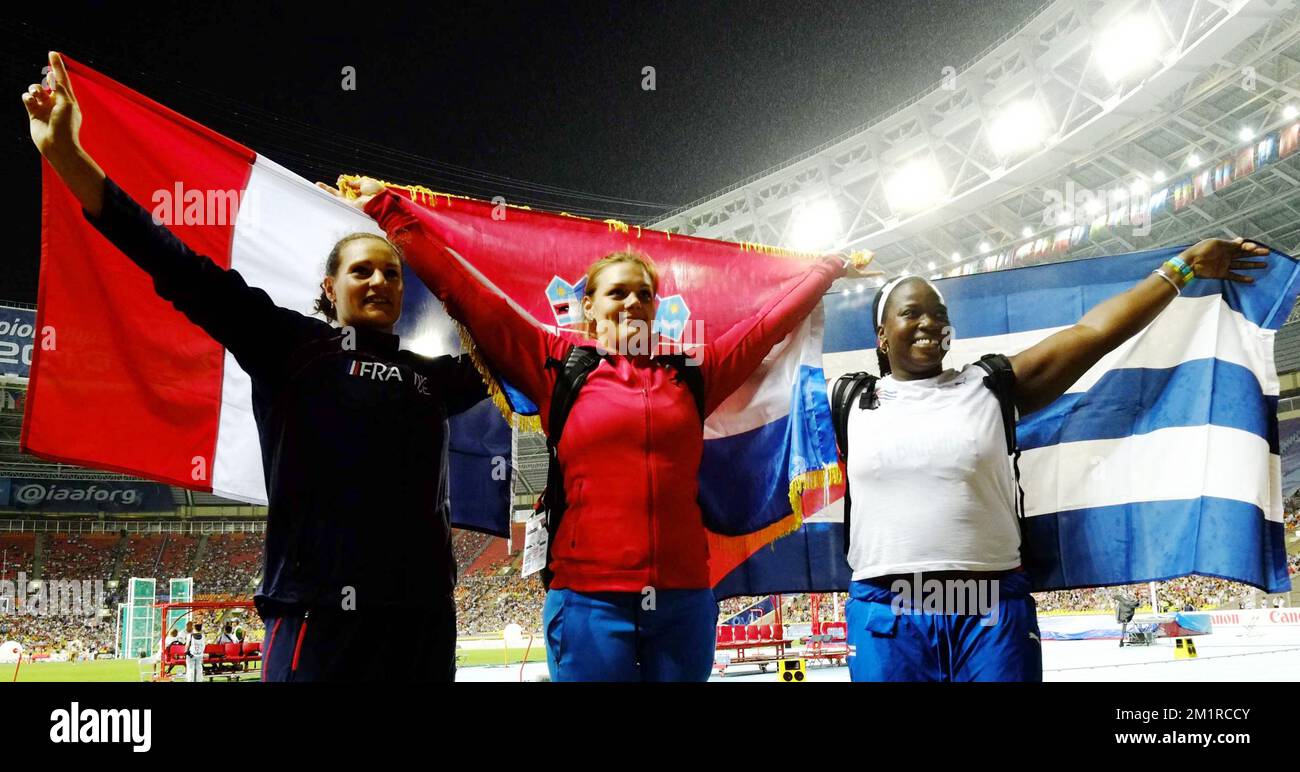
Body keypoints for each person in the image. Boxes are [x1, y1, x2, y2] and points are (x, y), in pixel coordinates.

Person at [23, 52, 488, 682]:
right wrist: (69, 159)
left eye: (393, 272)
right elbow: (177, 266)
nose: (380, 280)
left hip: (423, 620)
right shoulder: (289, 345)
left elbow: (504, 332)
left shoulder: (436, 376)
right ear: (330, 285)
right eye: (362, 270)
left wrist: (405, 221)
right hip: (316, 617)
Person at [324, 177, 875, 681]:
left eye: (644, 293)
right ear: (588, 306)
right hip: (589, 599)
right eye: (617, 292)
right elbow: (469, 296)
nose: (633, 301)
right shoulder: (554, 359)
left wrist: (826, 269)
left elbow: (765, 326)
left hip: (683, 597)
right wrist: (389, 211)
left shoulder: (694, 371)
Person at [838, 238, 1267, 681]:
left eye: (939, 314)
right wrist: (810, 278)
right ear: (882, 334)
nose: (930, 322)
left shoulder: (990, 388)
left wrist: (1185, 267)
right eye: (911, 313)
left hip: (989, 602)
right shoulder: (846, 403)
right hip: (888, 604)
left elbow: (1093, 334)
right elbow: (765, 363)